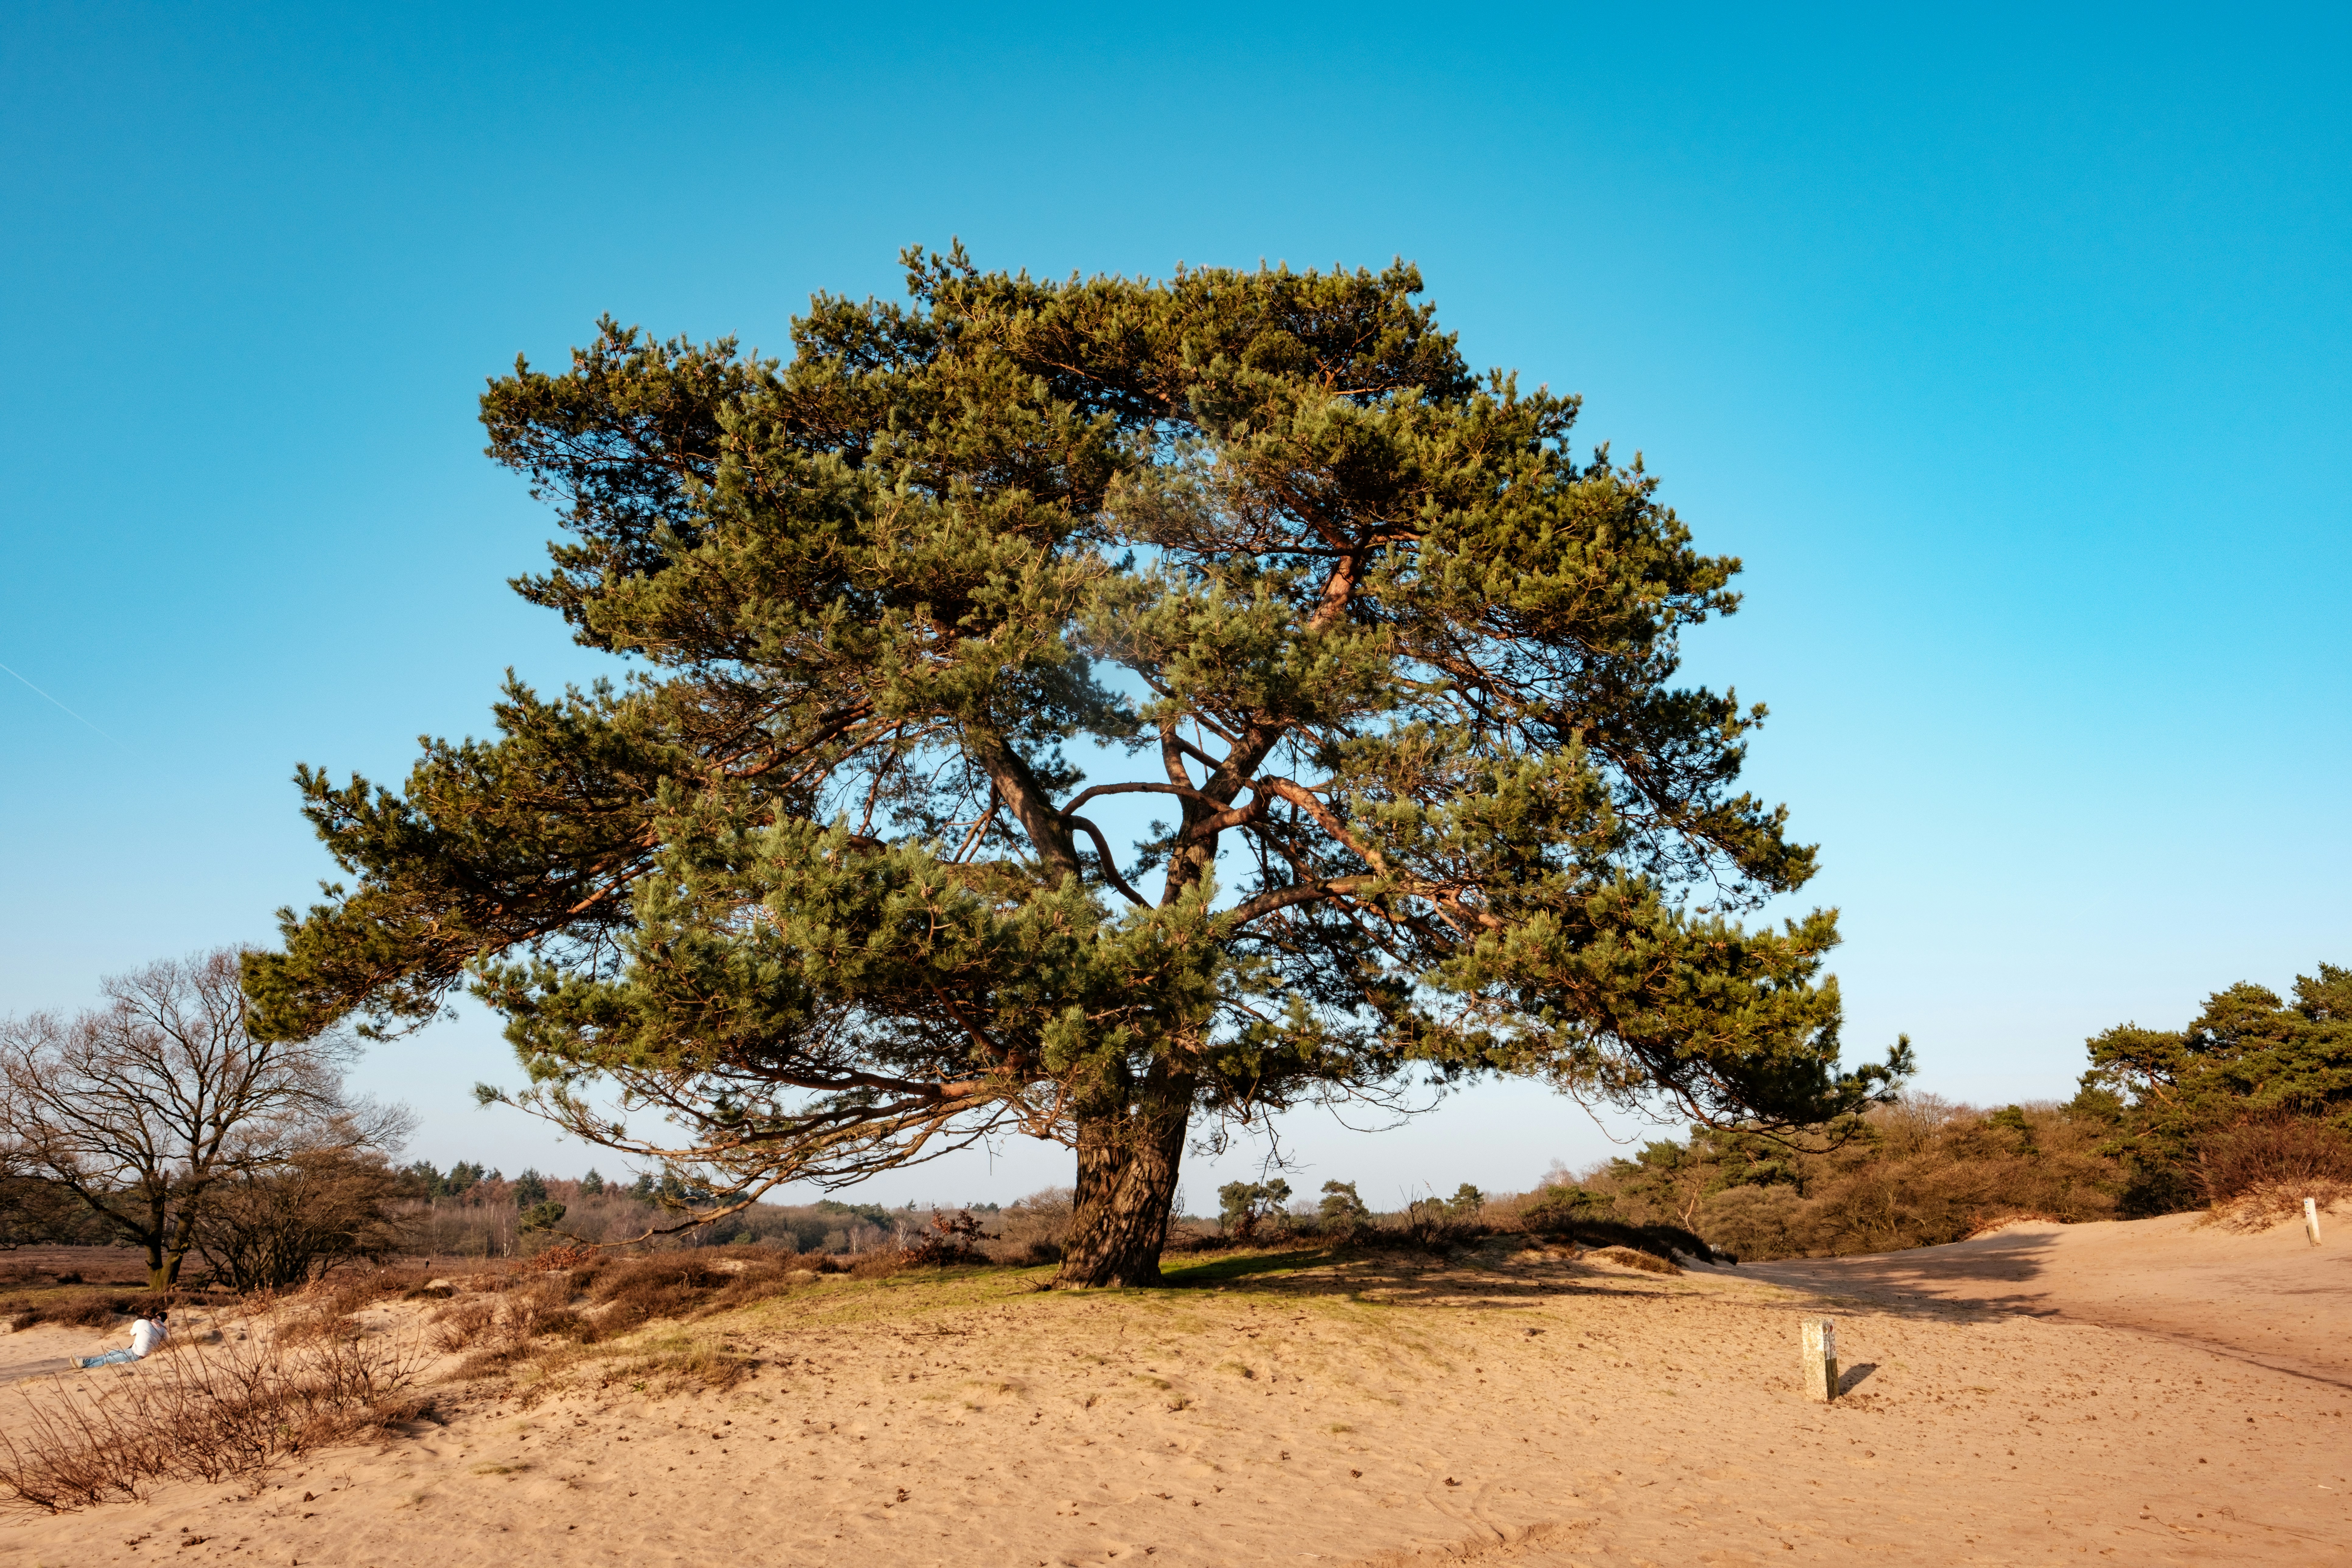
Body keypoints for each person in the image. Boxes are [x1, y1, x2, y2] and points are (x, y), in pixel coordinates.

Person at [72, 1307, 168, 1369]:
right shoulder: (164, 1330)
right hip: (136, 1352)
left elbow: (132, 1333)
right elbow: (165, 1344)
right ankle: (85, 1362)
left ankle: (85, 1365)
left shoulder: (142, 1322)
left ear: (154, 1316)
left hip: (136, 1355)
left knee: (108, 1360)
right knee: (112, 1353)